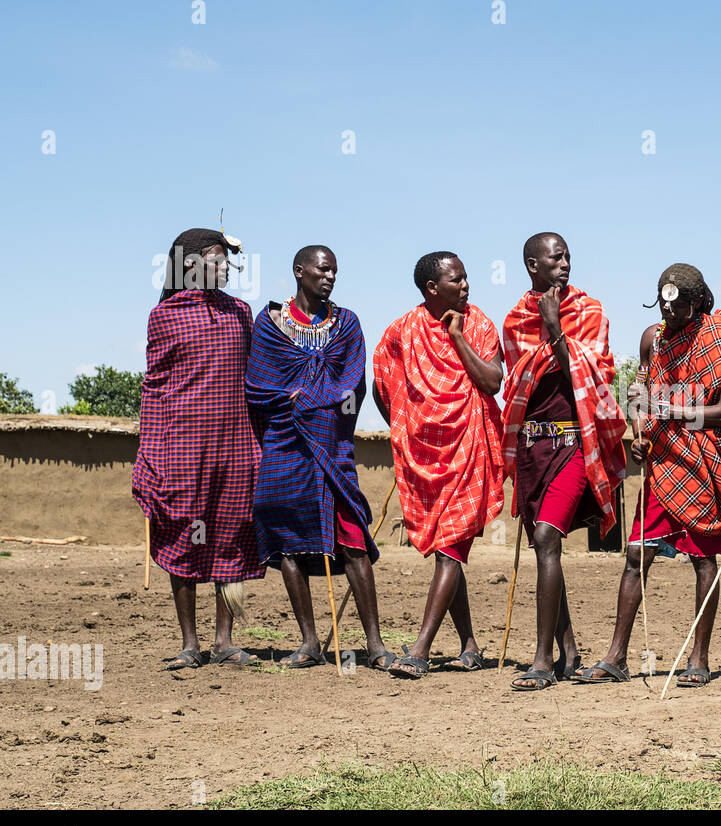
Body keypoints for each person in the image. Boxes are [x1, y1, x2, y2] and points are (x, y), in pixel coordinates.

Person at [575, 264, 721, 687]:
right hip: (664, 463)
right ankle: (617, 657)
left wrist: (672, 413)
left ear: (698, 300)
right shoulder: (655, 338)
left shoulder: (720, 336)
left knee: (703, 560)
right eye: (663, 307)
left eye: (678, 308)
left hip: (707, 464)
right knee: (636, 555)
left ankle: (699, 660)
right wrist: (638, 434)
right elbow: (640, 395)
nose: (669, 316)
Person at [246, 245, 394, 670]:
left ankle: (376, 644)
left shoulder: (346, 323)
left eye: (335, 270)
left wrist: (306, 399)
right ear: (299, 271)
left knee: (352, 541)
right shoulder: (269, 324)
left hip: (332, 445)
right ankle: (310, 641)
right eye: (323, 269)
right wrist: (290, 400)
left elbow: (352, 384)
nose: (330, 276)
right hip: (284, 445)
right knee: (289, 544)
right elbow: (257, 385)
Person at [134, 227, 265, 669]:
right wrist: (150, 453)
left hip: (235, 444)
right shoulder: (164, 317)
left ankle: (224, 641)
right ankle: (190, 644)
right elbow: (154, 387)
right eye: (217, 257)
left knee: (230, 535)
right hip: (183, 446)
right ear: (190, 265)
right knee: (184, 536)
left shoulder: (240, 313)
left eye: (229, 258)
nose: (226, 265)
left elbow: (255, 379)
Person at [501, 233, 626, 691]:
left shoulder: (589, 312)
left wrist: (555, 328)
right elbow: (517, 379)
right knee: (543, 548)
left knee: (546, 536)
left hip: (576, 442)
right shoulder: (515, 319)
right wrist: (545, 327)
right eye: (555, 258)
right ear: (533, 265)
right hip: (533, 448)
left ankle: (541, 660)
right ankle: (570, 650)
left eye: (568, 256)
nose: (565, 263)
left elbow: (593, 371)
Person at [373, 251, 504, 678]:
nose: (466, 286)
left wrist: (458, 337)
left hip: (470, 448)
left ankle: (420, 650)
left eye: (467, 278)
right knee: (448, 550)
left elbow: (491, 381)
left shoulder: (480, 325)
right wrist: (406, 426)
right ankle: (469, 645)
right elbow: (382, 384)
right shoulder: (403, 331)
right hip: (425, 456)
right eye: (457, 280)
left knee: (450, 552)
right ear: (432, 288)